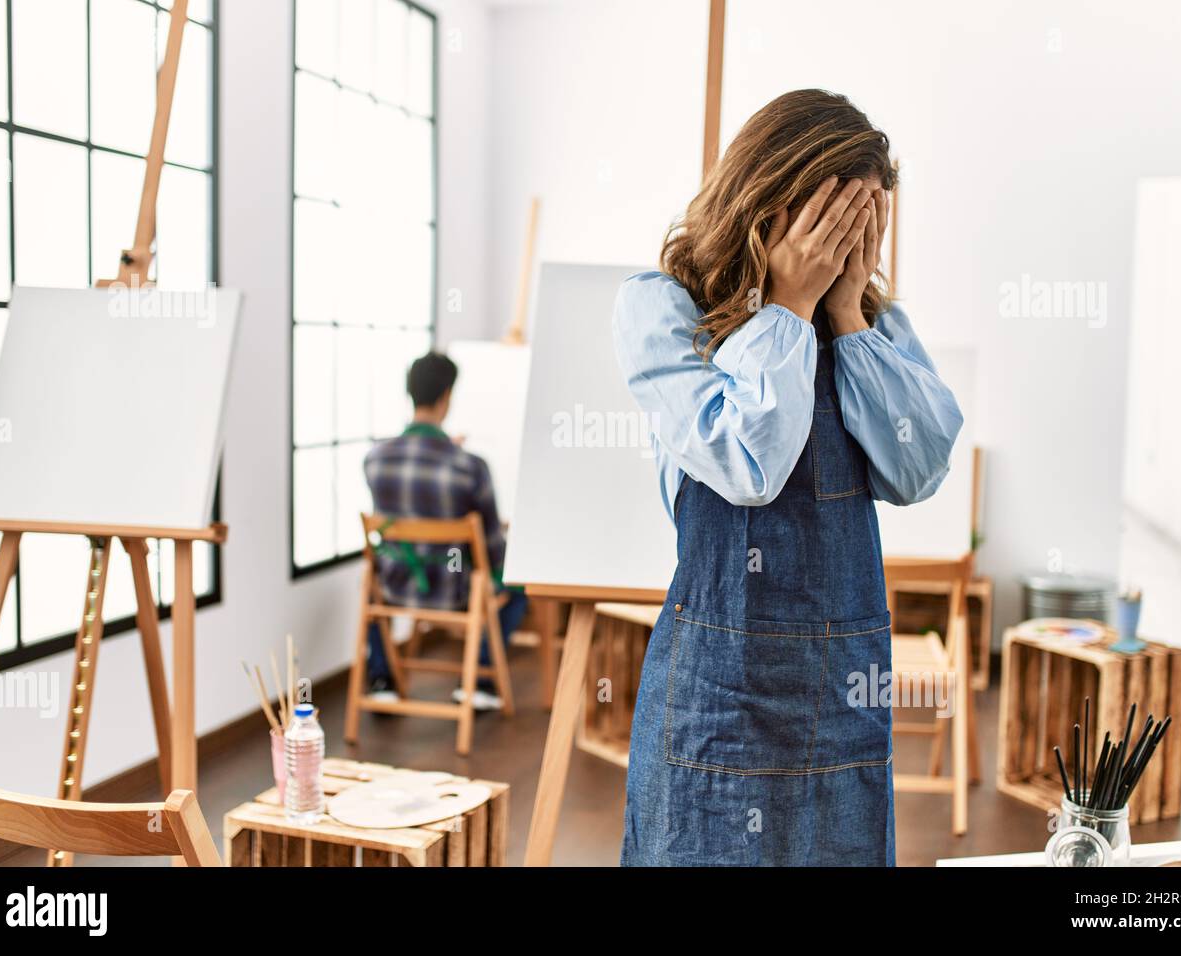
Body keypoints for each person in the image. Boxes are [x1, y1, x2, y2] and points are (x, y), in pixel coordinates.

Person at [612, 89, 963, 866]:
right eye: (840, 217)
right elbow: (749, 463)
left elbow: (918, 469)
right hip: (717, 693)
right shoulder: (664, 310)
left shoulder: (874, 329)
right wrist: (791, 307)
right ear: (773, 196)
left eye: (870, 222)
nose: (853, 242)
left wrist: (845, 315)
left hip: (842, 687)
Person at [362, 351, 526, 711]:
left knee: (370, 575)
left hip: (394, 586)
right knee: (520, 586)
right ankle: (480, 680)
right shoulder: (469, 467)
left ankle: (381, 679)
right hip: (453, 590)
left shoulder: (375, 459)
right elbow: (492, 545)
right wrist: (501, 579)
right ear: (446, 397)